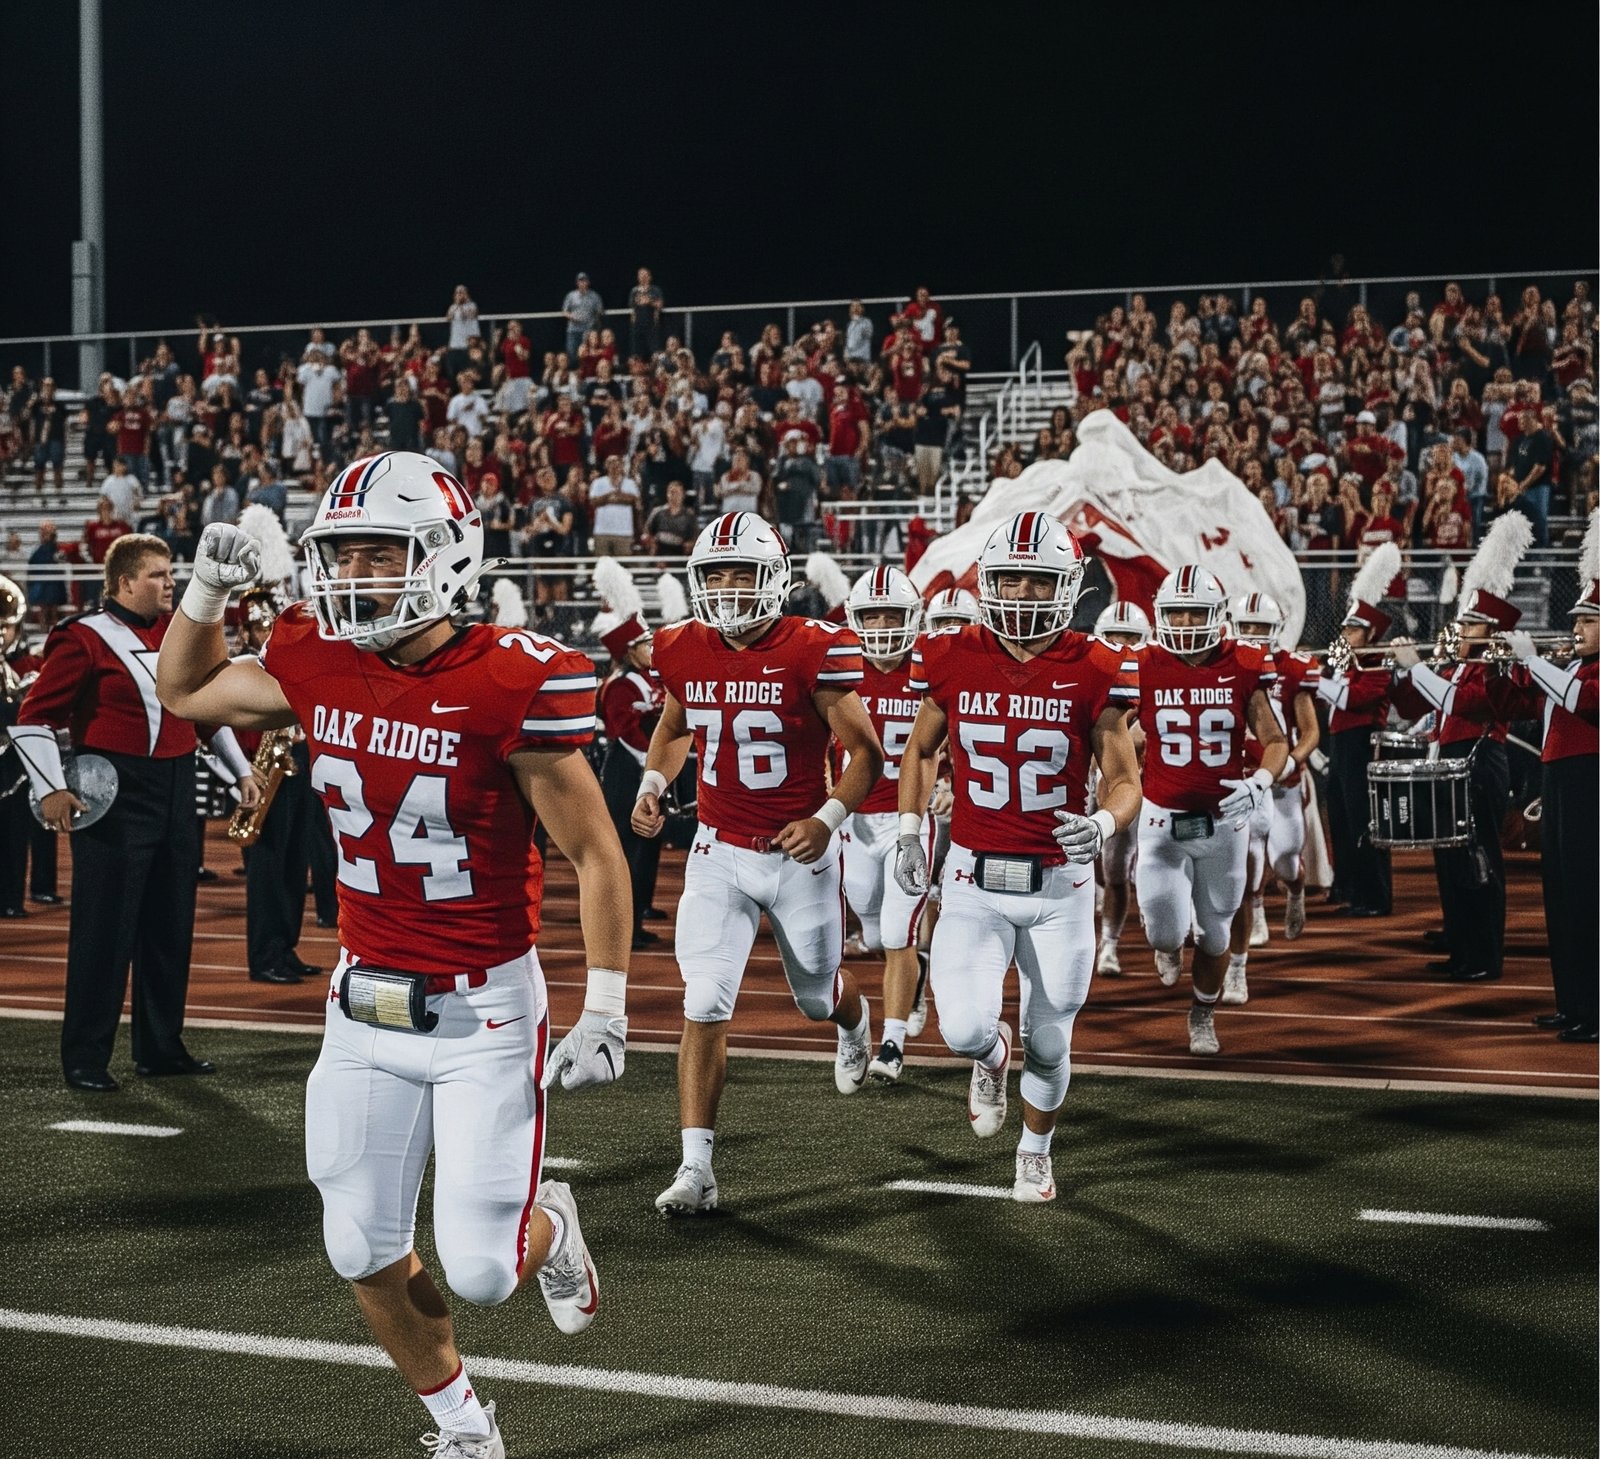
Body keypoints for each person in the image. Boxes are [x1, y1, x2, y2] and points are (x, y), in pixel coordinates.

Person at [155, 451, 633, 1458]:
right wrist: (204, 586)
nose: (359, 573)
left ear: (446, 556)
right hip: (360, 1001)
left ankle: (550, 1225)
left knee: (483, 1270)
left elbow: (594, 852)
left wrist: (608, 1004)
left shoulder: (512, 678)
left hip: (482, 1010)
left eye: (382, 550)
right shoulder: (315, 655)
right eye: (343, 552)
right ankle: (464, 1427)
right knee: (358, 1244)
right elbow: (185, 688)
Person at [631, 511, 884, 1217]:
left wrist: (826, 819)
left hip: (798, 854)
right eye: (717, 574)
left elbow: (866, 753)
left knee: (814, 996)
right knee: (704, 997)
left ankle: (853, 1019)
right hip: (718, 851)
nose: (730, 588)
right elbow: (677, 725)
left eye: (744, 572)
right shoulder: (682, 646)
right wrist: (654, 785)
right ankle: (697, 1167)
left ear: (775, 578)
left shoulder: (811, 648)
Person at [895, 514, 1141, 1202]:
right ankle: (990, 1055)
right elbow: (920, 749)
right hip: (973, 874)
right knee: (964, 1027)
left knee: (1053, 1032)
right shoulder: (948, 653)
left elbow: (1125, 778)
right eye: (1011, 578)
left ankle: (1035, 1149)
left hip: (1061, 883)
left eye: (1040, 580)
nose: (1025, 593)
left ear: (1066, 588)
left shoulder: (1096, 664)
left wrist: (1102, 819)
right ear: (987, 581)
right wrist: (910, 829)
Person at [11, 534, 255, 1091]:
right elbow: (33, 717)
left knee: (170, 927)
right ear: (124, 581)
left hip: (175, 790)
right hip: (115, 794)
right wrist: (50, 789)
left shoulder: (177, 636)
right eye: (158, 574)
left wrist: (241, 771)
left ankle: (161, 1047)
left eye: (171, 573)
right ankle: (85, 1058)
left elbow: (206, 716)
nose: (171, 583)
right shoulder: (84, 637)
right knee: (103, 930)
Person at [1133, 566, 1287, 1056]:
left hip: (1225, 821)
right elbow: (1119, 732)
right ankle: (1165, 940)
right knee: (1164, 930)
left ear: (1216, 616)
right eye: (1173, 610)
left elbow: (1276, 740)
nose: (1181, 620)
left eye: (1193, 611)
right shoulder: (1143, 663)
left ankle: (1202, 1012)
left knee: (1216, 931)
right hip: (1162, 818)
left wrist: (1260, 779)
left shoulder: (1244, 663)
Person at [1388, 515, 1532, 984]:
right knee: (1454, 859)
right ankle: (1463, 946)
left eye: (1469, 623)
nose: (1459, 628)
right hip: (1454, 763)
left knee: (1480, 860)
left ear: (1489, 629)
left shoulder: (1494, 668)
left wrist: (1421, 670)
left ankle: (1485, 955)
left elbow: (1465, 706)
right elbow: (1415, 702)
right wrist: (1407, 669)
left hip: (1481, 763)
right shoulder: (1459, 665)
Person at [1499, 515, 1597, 1040]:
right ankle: (1573, 1002)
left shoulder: (1589, 675)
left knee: (1587, 896)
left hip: (1590, 783)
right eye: (1578, 619)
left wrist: (1536, 664)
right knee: (1559, 895)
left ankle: (1594, 1009)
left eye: (1588, 620)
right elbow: (1521, 704)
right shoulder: (1576, 666)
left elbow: (1587, 705)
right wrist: (1517, 669)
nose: (1576, 628)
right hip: (1560, 781)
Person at [836, 567, 929, 1084]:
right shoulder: (839, 669)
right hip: (854, 818)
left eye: (893, 614)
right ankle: (908, 987)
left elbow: (967, 733)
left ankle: (892, 1043)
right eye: (872, 615)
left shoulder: (930, 667)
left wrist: (949, 783)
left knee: (897, 931)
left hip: (906, 821)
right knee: (871, 929)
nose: (883, 625)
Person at [1223, 593, 1320, 1004]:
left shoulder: (1292, 669)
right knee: (1250, 858)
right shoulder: (1225, 664)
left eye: (1261, 628)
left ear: (1277, 630)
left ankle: (1294, 890)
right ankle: (1257, 911)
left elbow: (1310, 731)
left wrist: (1287, 762)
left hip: (1282, 782)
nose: (1253, 636)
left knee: (1284, 859)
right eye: (1247, 627)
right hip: (1245, 780)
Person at [231, 588, 321, 986]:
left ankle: (285, 948)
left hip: (297, 765)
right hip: (262, 772)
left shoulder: (287, 664)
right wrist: (245, 771)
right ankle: (264, 955)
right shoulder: (240, 667)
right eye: (257, 626)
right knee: (267, 871)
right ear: (244, 632)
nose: (264, 631)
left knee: (293, 865)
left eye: (270, 623)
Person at [1316, 545, 1400, 918]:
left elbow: (1352, 700)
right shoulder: (1348, 663)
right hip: (1342, 743)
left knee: (1366, 820)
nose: (1346, 633)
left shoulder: (1376, 665)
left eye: (1353, 629)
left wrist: (1314, 678)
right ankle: (1347, 884)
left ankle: (1374, 896)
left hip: (1362, 744)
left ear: (1369, 634)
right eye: (1346, 627)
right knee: (1340, 816)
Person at [595, 598, 664, 953]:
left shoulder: (648, 679)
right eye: (644, 645)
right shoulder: (620, 684)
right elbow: (624, 730)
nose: (651, 650)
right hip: (625, 771)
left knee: (649, 845)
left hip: (646, 769)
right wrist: (654, 763)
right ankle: (626, 926)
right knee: (629, 849)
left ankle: (643, 907)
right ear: (628, 650)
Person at [1088, 600, 1150, 976]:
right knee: (1111, 872)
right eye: (1114, 636)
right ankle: (1108, 943)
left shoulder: (1158, 675)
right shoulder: (1093, 676)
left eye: (1130, 637)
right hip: (1111, 780)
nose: (1123, 644)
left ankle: (1174, 923)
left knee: (1157, 867)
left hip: (1156, 785)